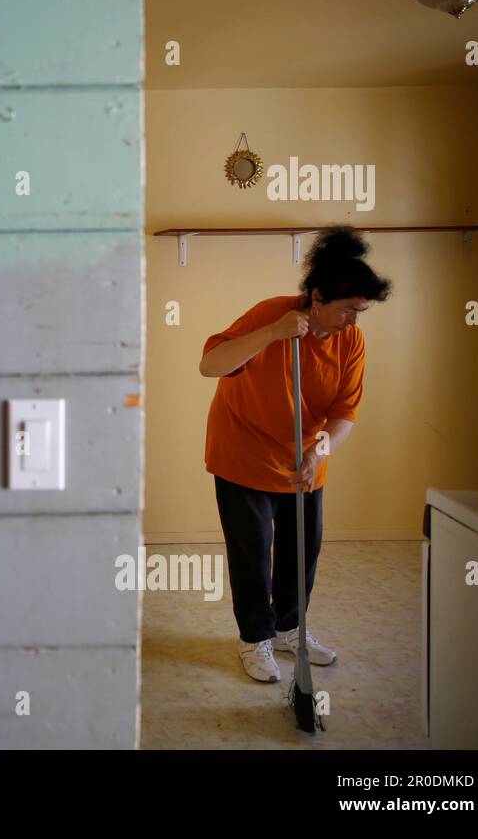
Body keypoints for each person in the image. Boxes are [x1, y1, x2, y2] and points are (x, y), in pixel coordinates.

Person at [198, 225, 392, 682]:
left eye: (361, 312)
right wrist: (271, 333)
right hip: (242, 452)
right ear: (317, 297)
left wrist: (320, 452)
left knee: (302, 552)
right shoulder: (273, 314)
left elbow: (346, 410)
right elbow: (211, 365)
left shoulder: (351, 342)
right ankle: (255, 640)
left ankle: (289, 629)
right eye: (347, 309)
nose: (353, 321)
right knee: (252, 553)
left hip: (303, 458)